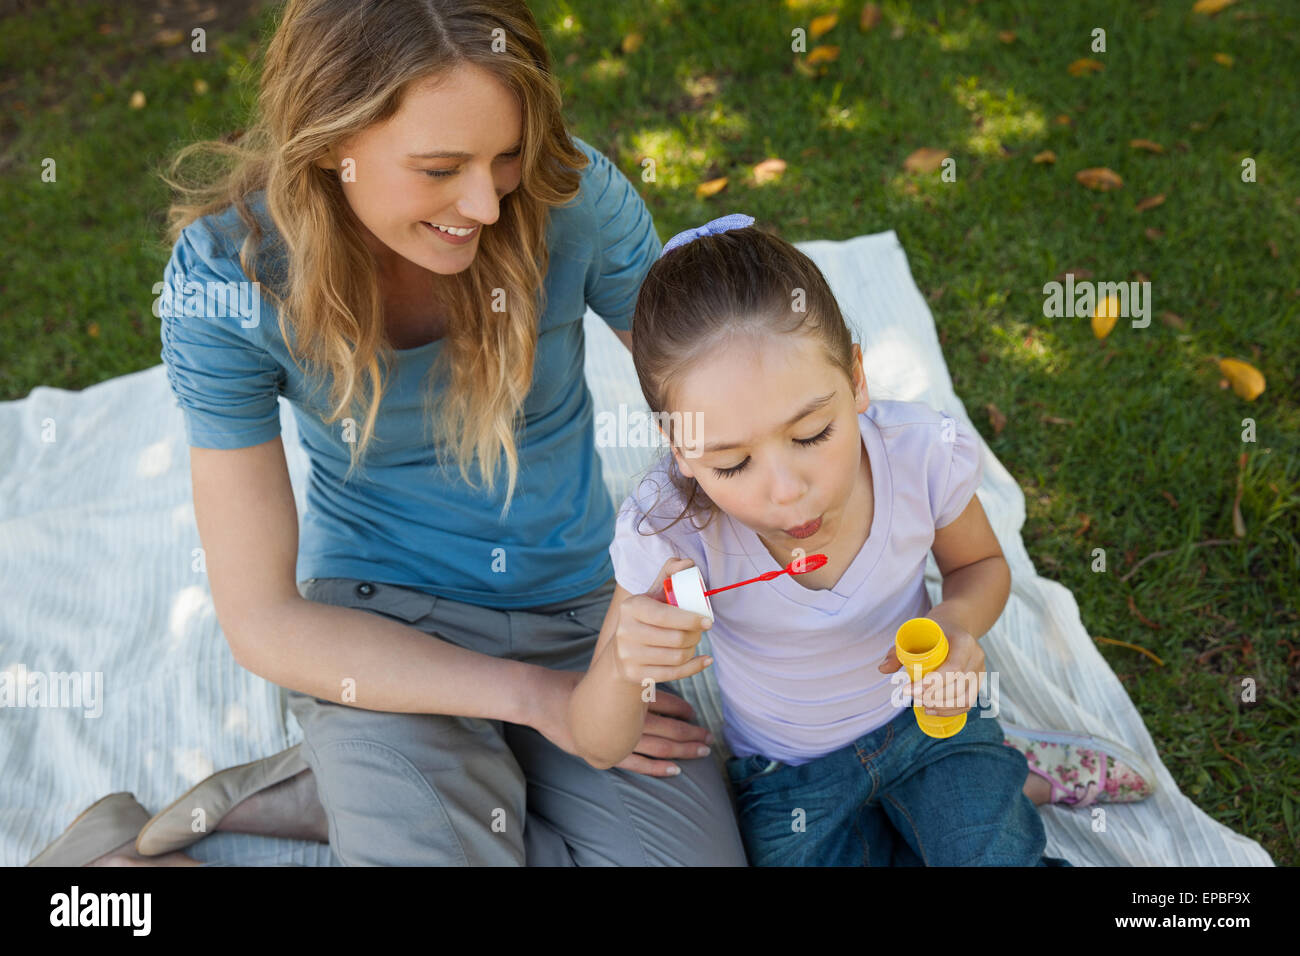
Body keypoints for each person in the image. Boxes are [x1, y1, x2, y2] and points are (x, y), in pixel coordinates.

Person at [564, 215, 1156, 866]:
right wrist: (625, 665)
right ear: (678, 447)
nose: (788, 491)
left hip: (932, 731)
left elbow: (981, 564)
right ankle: (1018, 782)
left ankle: (1003, 768)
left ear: (856, 378)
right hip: (792, 781)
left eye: (813, 433)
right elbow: (596, 742)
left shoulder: (918, 455)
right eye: (732, 464)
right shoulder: (671, 529)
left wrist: (957, 623)